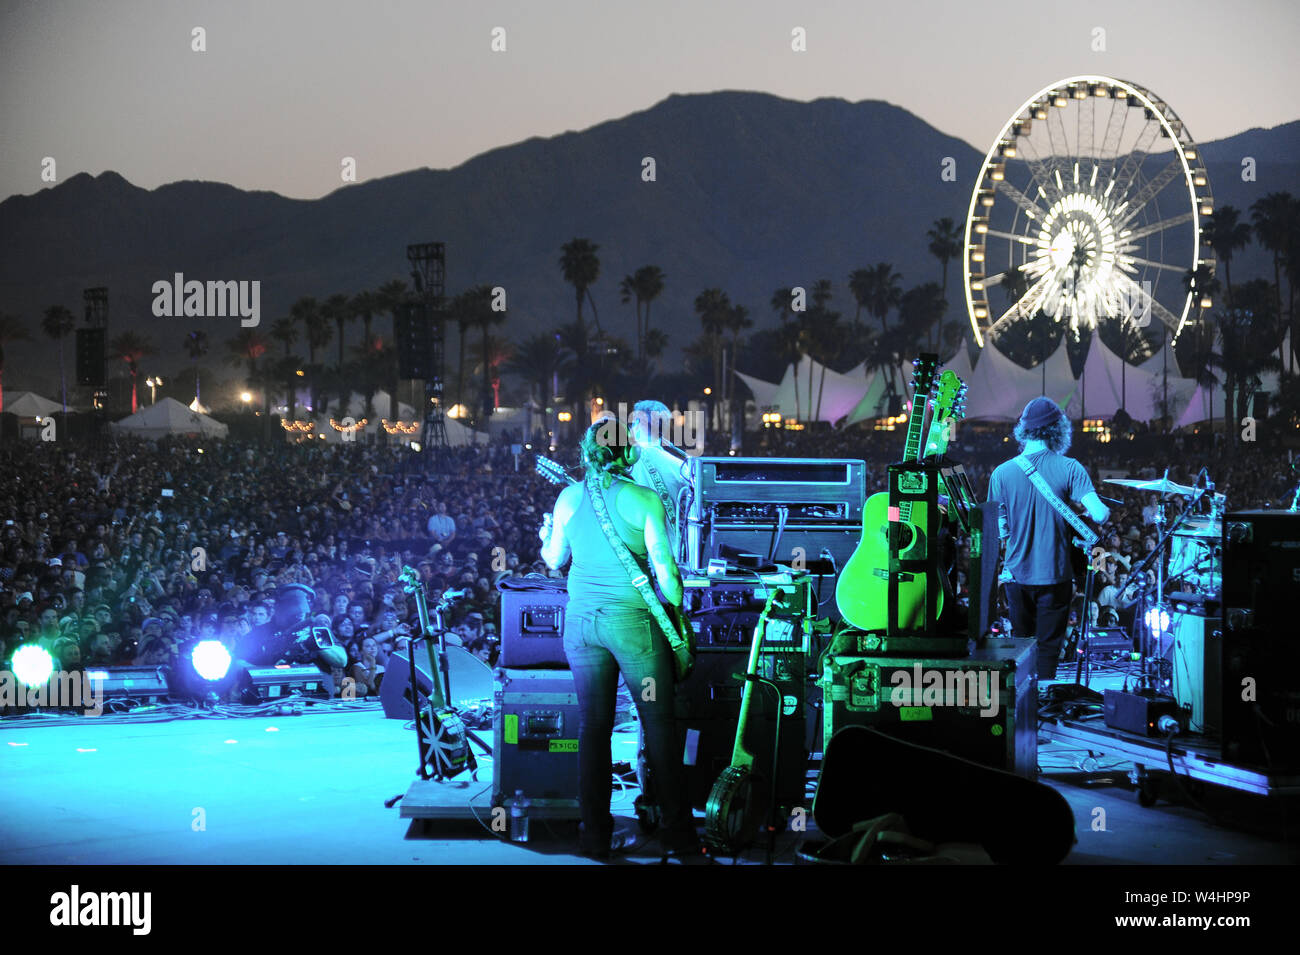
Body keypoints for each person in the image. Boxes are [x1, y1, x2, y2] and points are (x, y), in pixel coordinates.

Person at [540, 419, 698, 860]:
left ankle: (593, 835)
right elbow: (666, 575)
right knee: (659, 727)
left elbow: (553, 558)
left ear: (588, 454)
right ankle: (680, 836)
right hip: (632, 625)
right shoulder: (644, 500)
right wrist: (677, 606)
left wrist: (543, 538)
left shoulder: (568, 498)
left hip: (582, 626)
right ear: (630, 454)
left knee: (593, 729)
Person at [986, 397, 1109, 683]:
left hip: (1016, 576)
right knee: (1048, 650)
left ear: (1023, 431)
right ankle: (1044, 708)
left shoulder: (1001, 473)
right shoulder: (1070, 468)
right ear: (1059, 430)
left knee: (1022, 646)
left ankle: (1024, 711)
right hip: (1054, 576)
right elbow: (1100, 514)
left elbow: (999, 529)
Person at [628, 400, 691, 550]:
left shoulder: (621, 464)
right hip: (670, 553)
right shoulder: (681, 467)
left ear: (638, 421)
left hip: (632, 556)